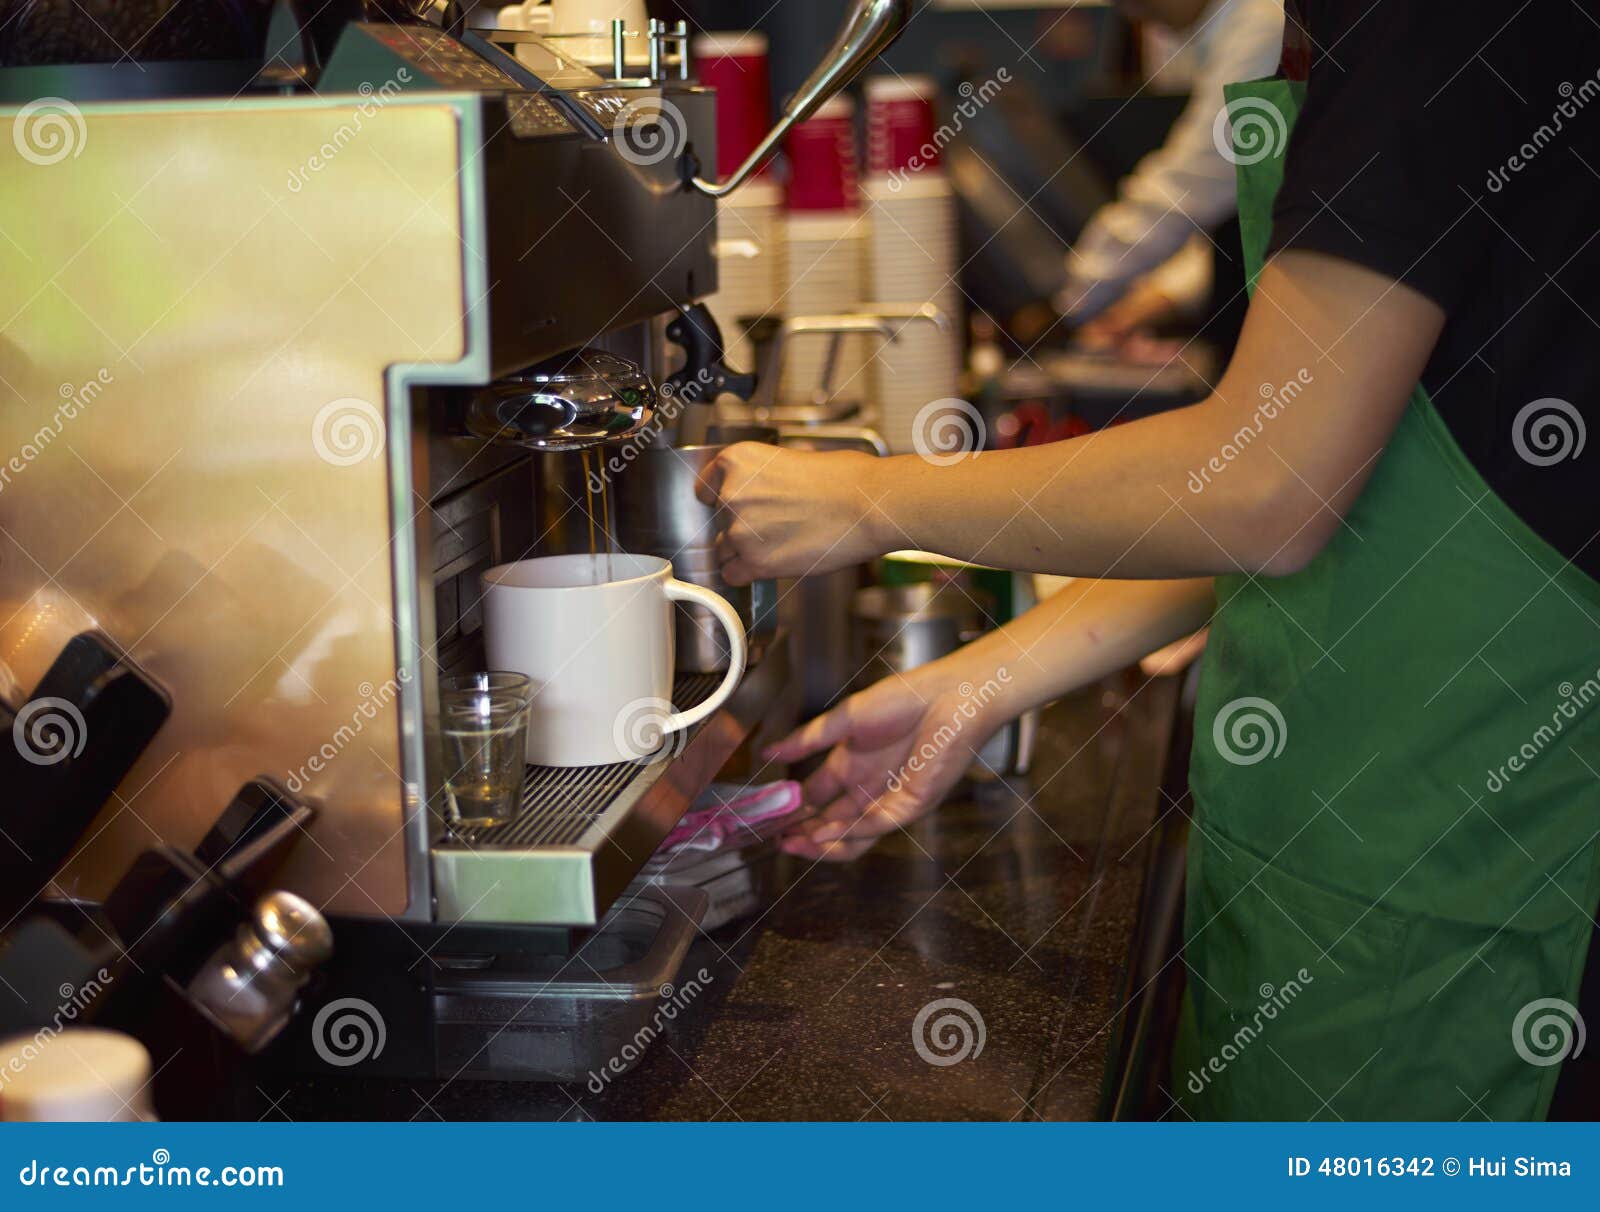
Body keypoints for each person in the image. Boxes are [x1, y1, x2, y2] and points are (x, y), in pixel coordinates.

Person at [699, 0, 1600, 1120]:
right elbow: (1364, 468)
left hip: (1474, 862)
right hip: (1340, 835)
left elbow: (1270, 483)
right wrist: (989, 676)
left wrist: (871, 496)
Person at [1055, 0, 1284, 347]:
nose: (1130, 11)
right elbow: (1220, 203)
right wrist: (1166, 295)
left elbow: (1187, 189)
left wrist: (1065, 303)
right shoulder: (1235, 29)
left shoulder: (1264, 25)